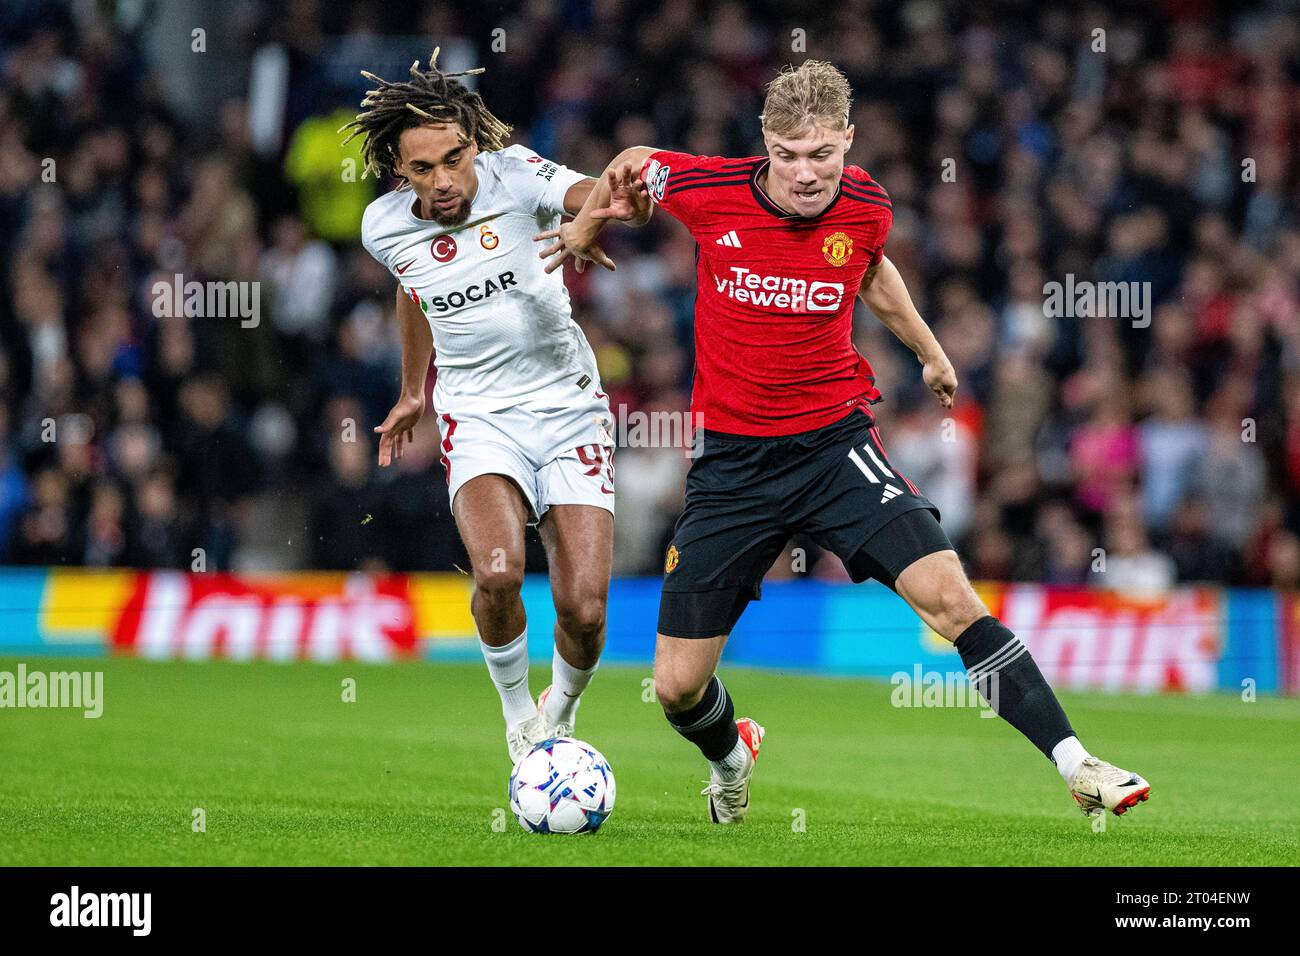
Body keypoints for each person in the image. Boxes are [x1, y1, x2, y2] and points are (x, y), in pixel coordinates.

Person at [539, 59, 1150, 823]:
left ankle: (1076, 763)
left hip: (835, 449)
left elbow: (873, 271)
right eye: (788, 155)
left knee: (951, 599)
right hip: (732, 465)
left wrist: (929, 350)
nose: (805, 174)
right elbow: (631, 162)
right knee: (676, 687)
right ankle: (731, 756)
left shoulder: (866, 206)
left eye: (822, 155)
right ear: (764, 142)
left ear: (848, 143)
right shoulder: (706, 190)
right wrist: (593, 218)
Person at [345, 49, 650, 763]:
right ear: (398, 167)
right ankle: (519, 720)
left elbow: (590, 193)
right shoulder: (384, 227)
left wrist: (611, 210)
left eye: (454, 159)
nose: (445, 180)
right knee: (497, 571)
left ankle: (562, 711)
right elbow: (411, 288)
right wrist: (414, 389)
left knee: (583, 608)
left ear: (473, 143)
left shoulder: (516, 175)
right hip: (480, 419)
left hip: (569, 409)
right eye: (424, 169)